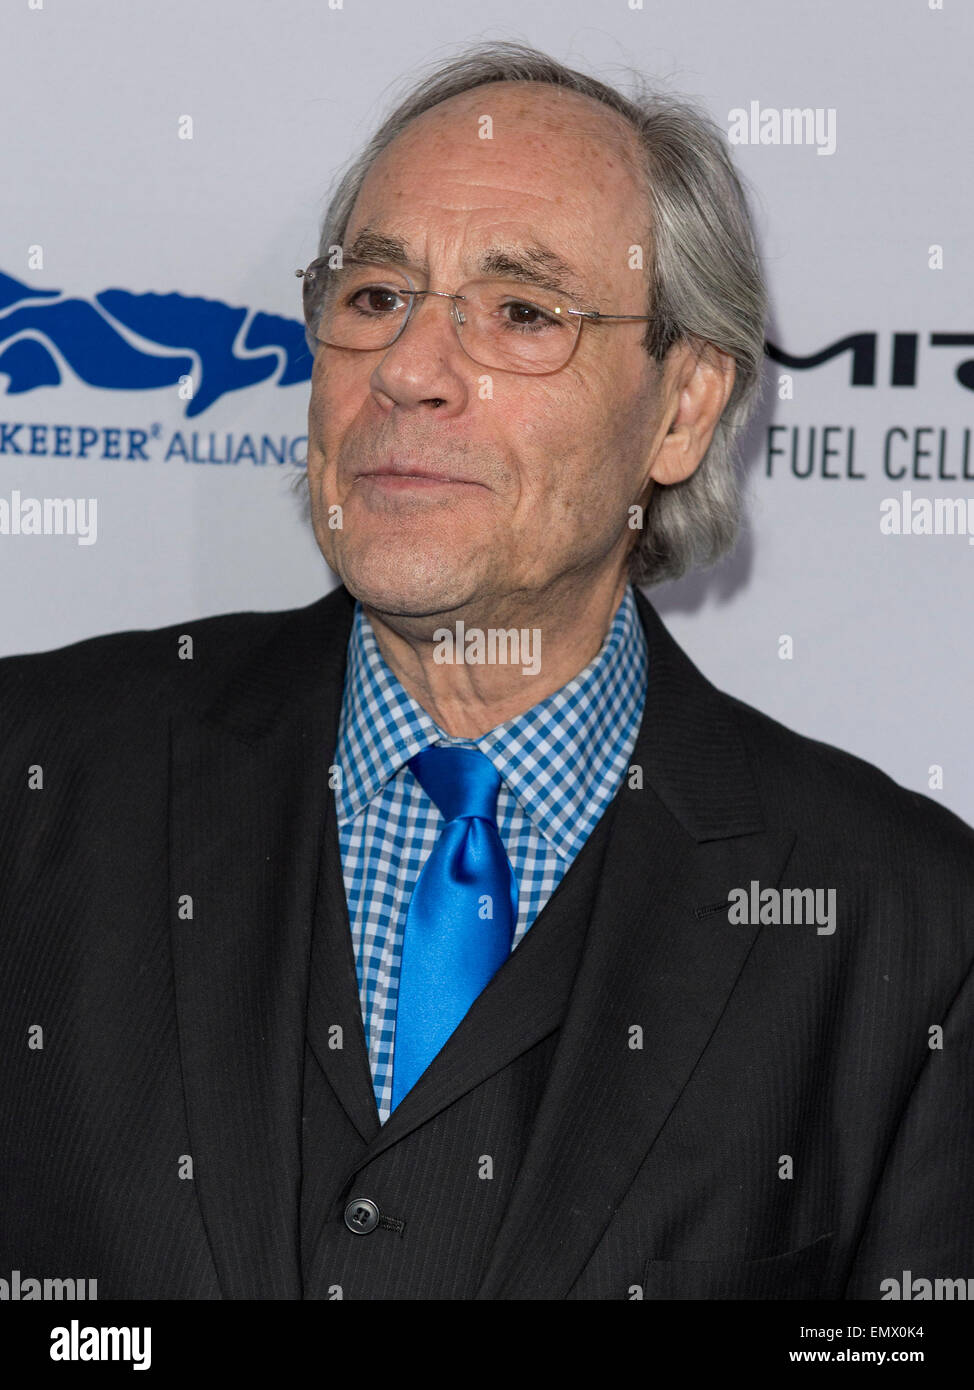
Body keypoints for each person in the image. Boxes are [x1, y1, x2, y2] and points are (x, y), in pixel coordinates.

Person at [1, 40, 971, 1301]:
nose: (406, 369)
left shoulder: (903, 925)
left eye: (520, 312)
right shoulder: (38, 778)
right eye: (371, 296)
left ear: (679, 408)